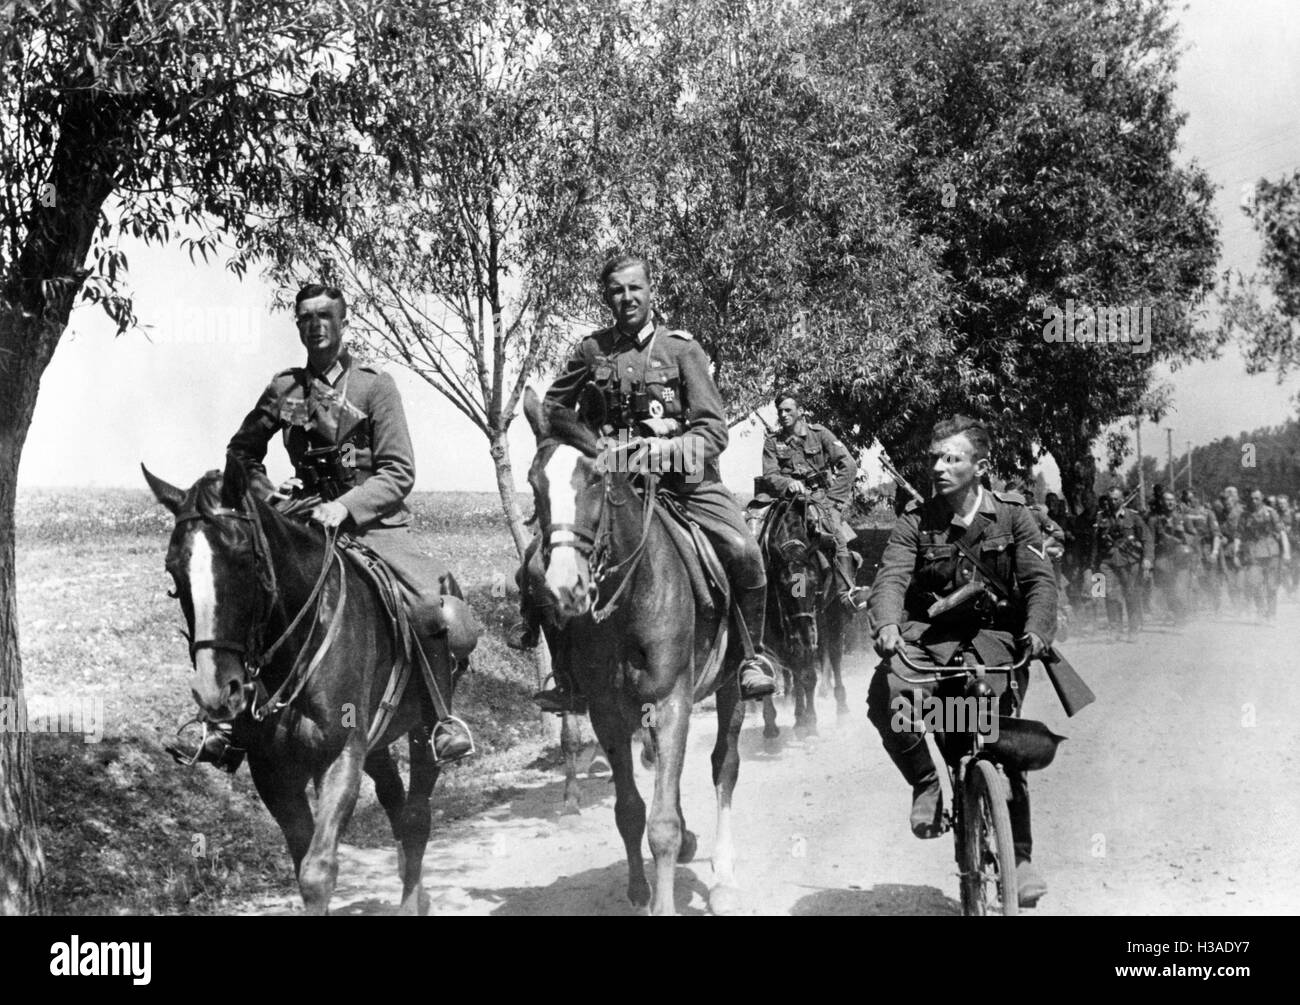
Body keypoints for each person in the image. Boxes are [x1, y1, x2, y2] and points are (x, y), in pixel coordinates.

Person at [178, 283, 476, 768]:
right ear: (298, 326)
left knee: (428, 605)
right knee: (241, 591)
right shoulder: (285, 389)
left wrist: (348, 507)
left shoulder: (373, 385)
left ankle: (441, 720)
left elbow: (399, 470)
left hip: (373, 526)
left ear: (342, 322)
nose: (315, 325)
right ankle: (226, 727)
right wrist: (269, 496)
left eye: (325, 316)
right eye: (305, 318)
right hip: (307, 520)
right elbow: (241, 452)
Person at [510, 254, 777, 711]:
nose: (627, 298)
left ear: (652, 291)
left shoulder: (680, 350)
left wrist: (664, 447)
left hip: (687, 487)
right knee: (538, 564)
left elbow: (714, 433)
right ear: (607, 296)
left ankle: (751, 656)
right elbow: (553, 415)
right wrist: (587, 445)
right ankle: (568, 675)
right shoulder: (591, 351)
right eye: (617, 290)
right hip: (615, 490)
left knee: (744, 551)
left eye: (635, 288)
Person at [866, 415, 1056, 908]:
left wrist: (1036, 631)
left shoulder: (1014, 517)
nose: (938, 467)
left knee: (1002, 740)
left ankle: (1020, 856)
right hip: (930, 641)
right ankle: (927, 784)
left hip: (994, 642)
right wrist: (886, 625)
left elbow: (1040, 582)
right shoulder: (914, 521)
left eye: (951, 458)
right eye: (934, 457)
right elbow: (890, 578)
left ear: (980, 467)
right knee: (893, 699)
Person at [755, 391, 860, 609]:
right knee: (768, 539)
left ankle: (846, 592)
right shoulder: (773, 442)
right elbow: (770, 475)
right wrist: (787, 484)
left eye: (788, 410)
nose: (783, 415)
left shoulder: (819, 434)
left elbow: (848, 465)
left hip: (821, 499)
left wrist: (835, 501)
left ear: (800, 411)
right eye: (780, 411)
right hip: (788, 502)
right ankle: (790, 597)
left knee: (836, 536)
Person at [1091, 486, 1153, 641]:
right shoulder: (1101, 518)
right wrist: (1094, 565)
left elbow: (1147, 538)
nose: (1112, 502)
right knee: (1110, 595)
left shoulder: (1133, 517)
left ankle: (1133, 629)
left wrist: (1147, 559)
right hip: (1108, 561)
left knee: (1130, 594)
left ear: (1122, 500)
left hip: (1130, 562)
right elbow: (1096, 543)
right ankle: (1115, 629)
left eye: (1116, 499)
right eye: (1110, 499)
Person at [1233, 487, 1290, 622]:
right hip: (1254, 553)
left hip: (1271, 553)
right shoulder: (1245, 515)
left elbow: (1282, 533)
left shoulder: (1271, 513)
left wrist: (1286, 552)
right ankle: (1261, 608)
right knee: (1253, 582)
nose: (1254, 501)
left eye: (1257, 498)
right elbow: (1238, 535)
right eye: (1252, 498)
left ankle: (1271, 613)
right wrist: (1236, 554)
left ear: (1262, 498)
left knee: (1271, 585)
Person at [1149, 489, 1193, 625]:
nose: (1170, 502)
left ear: (1175, 502)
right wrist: (1149, 560)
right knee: (1167, 588)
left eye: (1172, 500)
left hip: (1180, 557)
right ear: (1161, 502)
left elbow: (1193, 534)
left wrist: (1184, 542)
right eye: (1167, 500)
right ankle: (1175, 612)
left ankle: (1182, 616)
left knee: (1180, 588)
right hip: (1163, 557)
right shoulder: (1154, 520)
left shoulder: (1182, 517)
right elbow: (1150, 540)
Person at [1179, 489, 1221, 612]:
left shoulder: (1208, 513)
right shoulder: (1182, 513)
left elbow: (1216, 534)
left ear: (1198, 499)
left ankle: (1214, 604)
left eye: (1192, 498)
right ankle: (1197, 607)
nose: (1190, 501)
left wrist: (1215, 551)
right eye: (1186, 499)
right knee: (1193, 578)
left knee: (1211, 579)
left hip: (1206, 548)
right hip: (1191, 549)